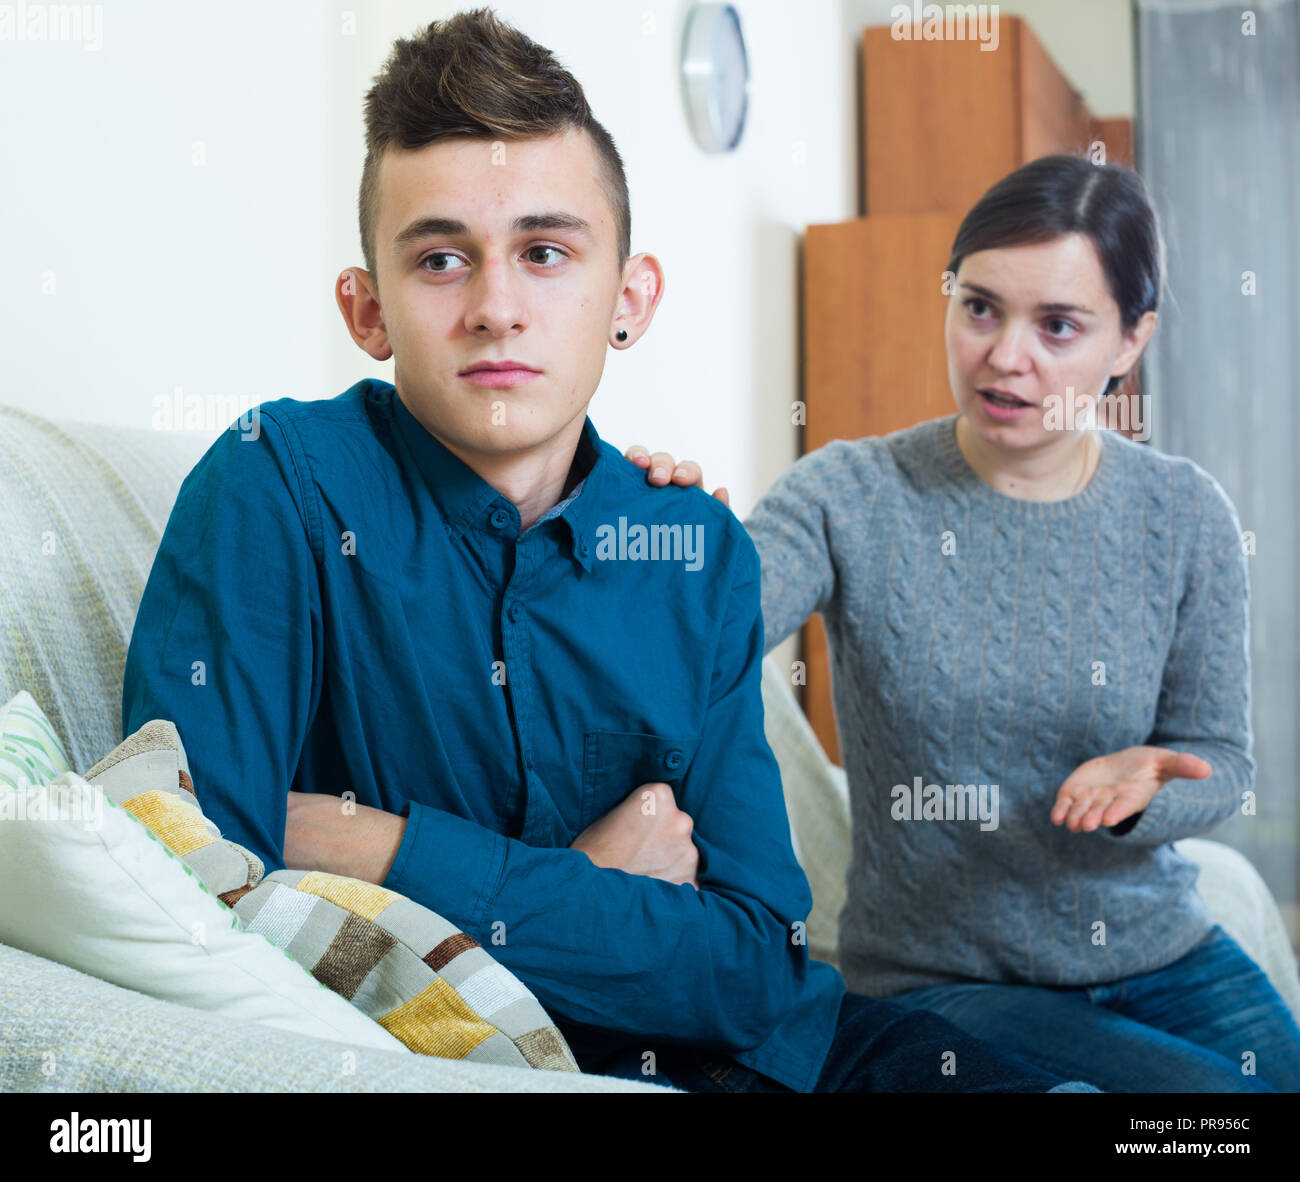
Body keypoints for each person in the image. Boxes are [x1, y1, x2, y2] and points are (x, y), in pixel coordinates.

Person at [120, 10, 1093, 1093]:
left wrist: (379, 848)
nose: (497, 308)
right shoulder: (274, 488)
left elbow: (748, 970)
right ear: (368, 309)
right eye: (441, 259)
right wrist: (580, 884)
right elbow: (207, 906)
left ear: (628, 300)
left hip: (791, 1052)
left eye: (545, 253)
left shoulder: (693, 548)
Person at [628, 153, 1300, 1092]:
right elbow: (702, 632)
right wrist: (657, 532)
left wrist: (1148, 794)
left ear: (1130, 341)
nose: (1004, 355)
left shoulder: (1187, 514)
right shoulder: (849, 494)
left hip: (1160, 949)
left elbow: (1223, 765)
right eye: (980, 307)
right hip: (943, 980)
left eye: (1058, 325)